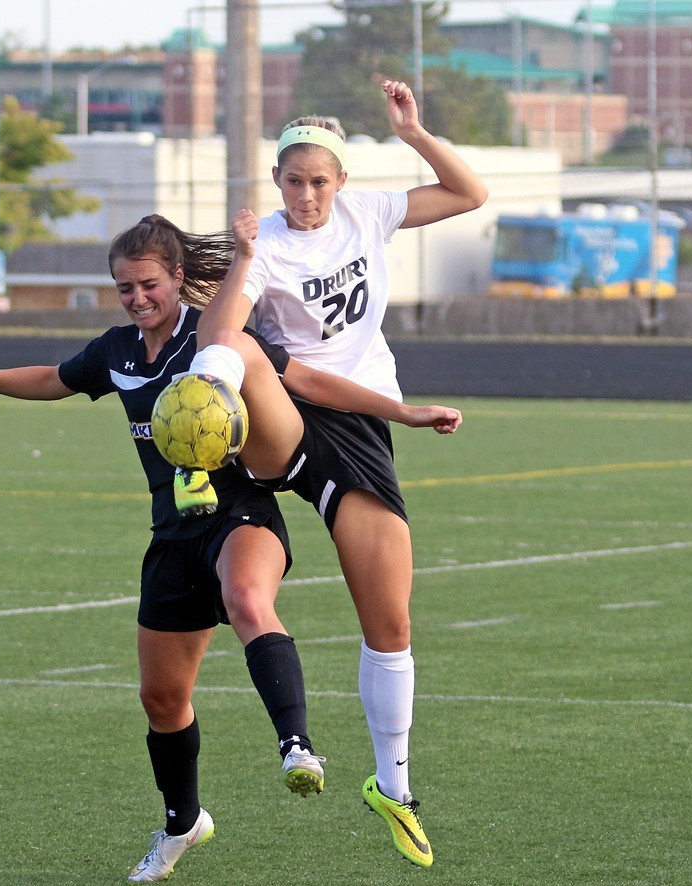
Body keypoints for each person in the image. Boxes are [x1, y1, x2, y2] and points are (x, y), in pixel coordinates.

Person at [0, 215, 454, 883]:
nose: (138, 298)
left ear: (177, 278)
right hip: (172, 535)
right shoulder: (115, 351)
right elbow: (53, 378)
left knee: (249, 599)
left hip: (240, 515)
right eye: (124, 288)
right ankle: (182, 824)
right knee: (163, 699)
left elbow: (306, 382)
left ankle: (297, 748)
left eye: (148, 284)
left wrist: (403, 412)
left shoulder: (214, 338)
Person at [187, 79, 488, 869]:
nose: (308, 194)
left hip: (359, 425)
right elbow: (221, 330)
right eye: (294, 180)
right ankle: (206, 421)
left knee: (390, 624)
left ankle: (393, 787)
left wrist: (414, 131)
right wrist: (245, 258)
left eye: (320, 180)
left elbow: (467, 192)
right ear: (278, 182)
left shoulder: (369, 213)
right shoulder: (270, 245)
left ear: (342, 182)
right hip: (286, 417)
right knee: (241, 352)